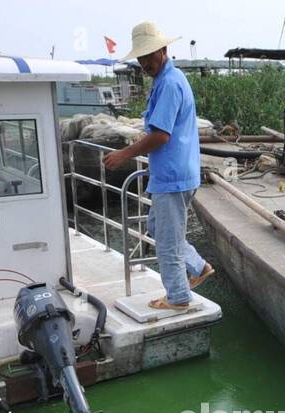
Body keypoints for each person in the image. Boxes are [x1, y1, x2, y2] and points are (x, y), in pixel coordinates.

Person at [103, 21, 215, 312]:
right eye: (140, 58)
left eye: (149, 55)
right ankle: (198, 266)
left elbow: (161, 135)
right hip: (177, 173)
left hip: (173, 176)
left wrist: (124, 154)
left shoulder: (168, 83)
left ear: (163, 50)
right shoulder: (169, 79)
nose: (145, 62)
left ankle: (177, 297)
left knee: (166, 241)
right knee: (157, 225)